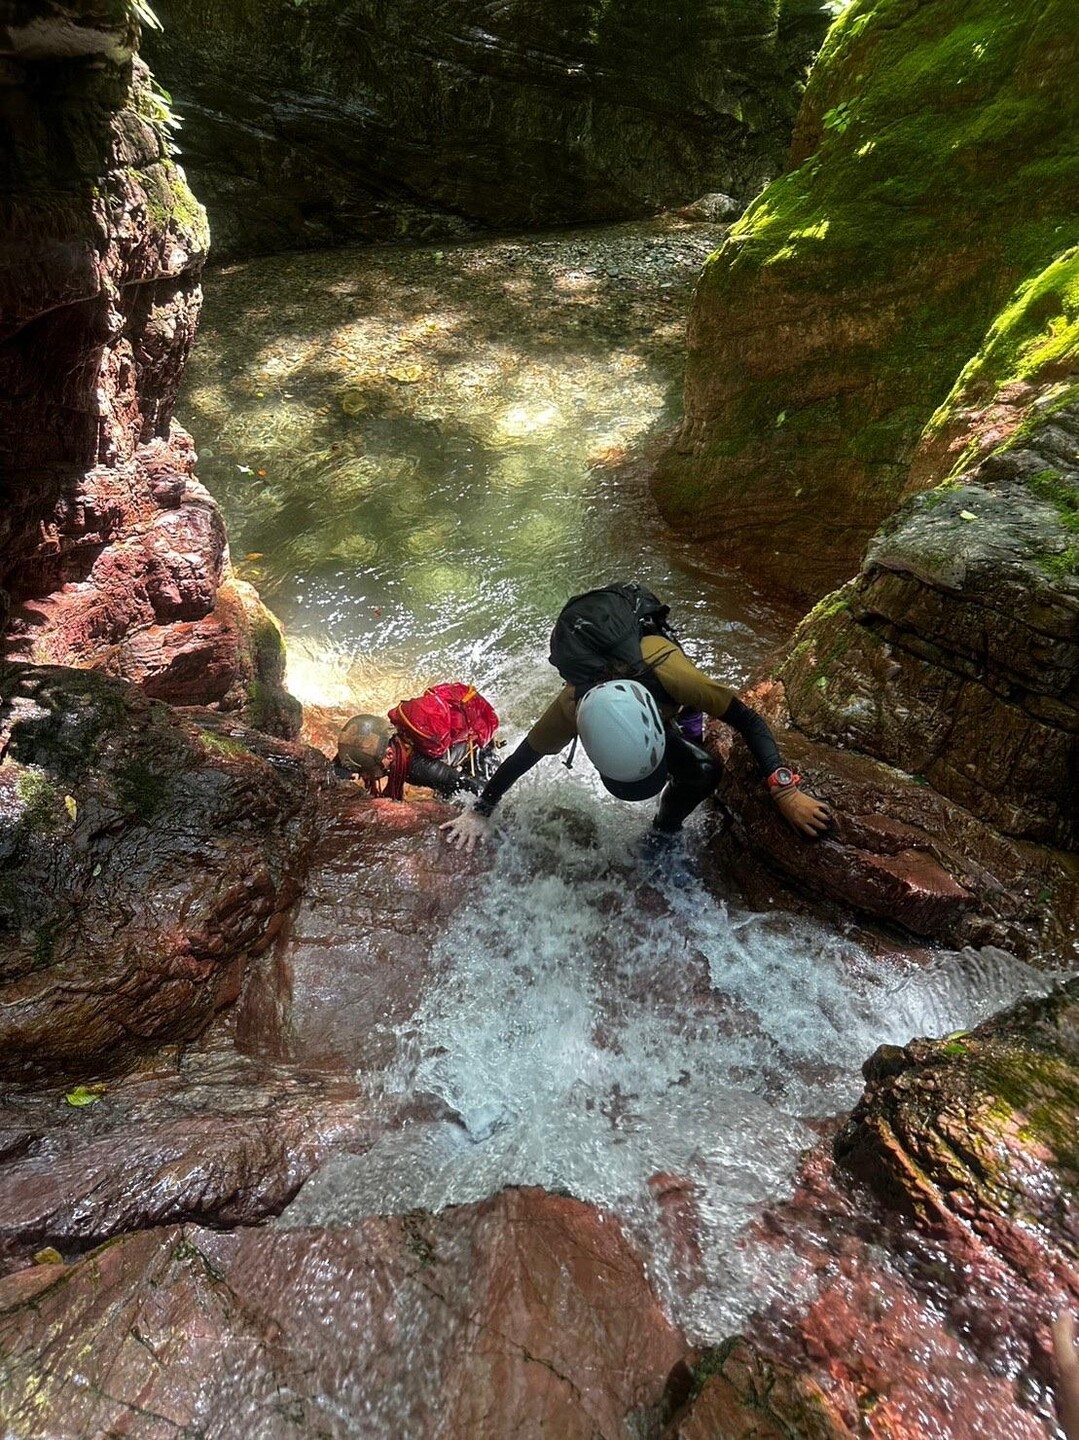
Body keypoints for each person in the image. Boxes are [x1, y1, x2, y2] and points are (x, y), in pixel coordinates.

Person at [440, 590, 831, 852]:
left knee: (703, 769)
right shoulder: (573, 705)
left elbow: (748, 720)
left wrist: (785, 790)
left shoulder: (677, 677)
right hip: (636, 693)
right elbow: (522, 758)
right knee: (695, 759)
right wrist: (480, 810)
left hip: (655, 679)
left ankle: (663, 831)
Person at [335, 682, 500, 801]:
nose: (363, 776)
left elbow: (477, 789)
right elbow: (349, 756)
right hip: (454, 743)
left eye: (366, 771)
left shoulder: (421, 770)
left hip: (478, 753)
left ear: (390, 755)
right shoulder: (385, 734)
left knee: (453, 801)